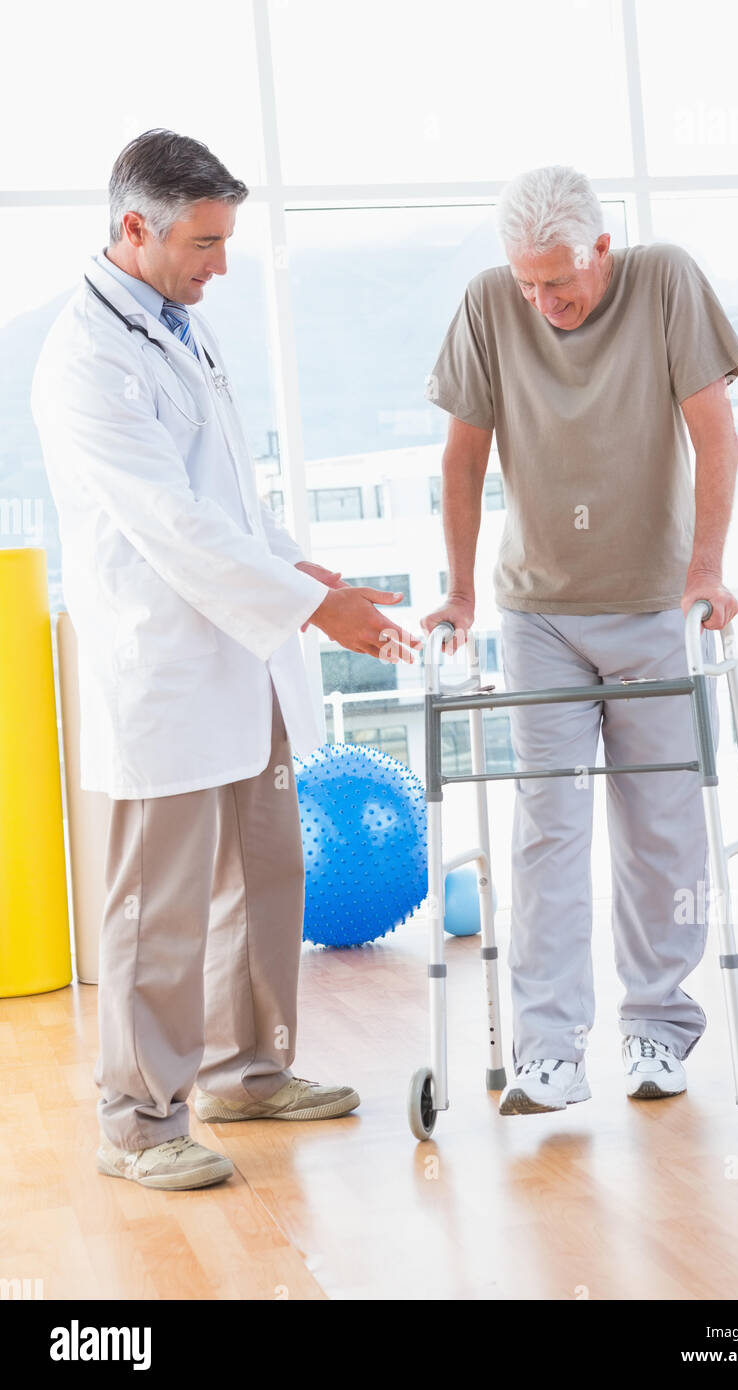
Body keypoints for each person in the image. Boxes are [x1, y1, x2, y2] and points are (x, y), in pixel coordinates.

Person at [31, 129, 423, 1189]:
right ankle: (137, 1121)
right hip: (162, 667)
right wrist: (313, 606)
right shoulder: (85, 359)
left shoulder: (179, 329)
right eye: (204, 242)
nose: (219, 263)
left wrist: (301, 569)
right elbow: (169, 522)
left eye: (225, 239)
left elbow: (226, 502)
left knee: (264, 870)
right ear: (134, 228)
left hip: (242, 652)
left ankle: (247, 1072)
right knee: (157, 901)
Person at [421, 165, 738, 1116]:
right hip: (540, 616)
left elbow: (714, 433)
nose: (542, 301)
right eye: (527, 283)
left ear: (602, 249)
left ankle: (656, 1028)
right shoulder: (491, 303)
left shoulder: (667, 281)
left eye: (557, 281)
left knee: (660, 828)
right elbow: (462, 455)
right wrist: (459, 592)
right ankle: (549, 1051)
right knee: (547, 831)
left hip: (652, 605)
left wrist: (706, 570)